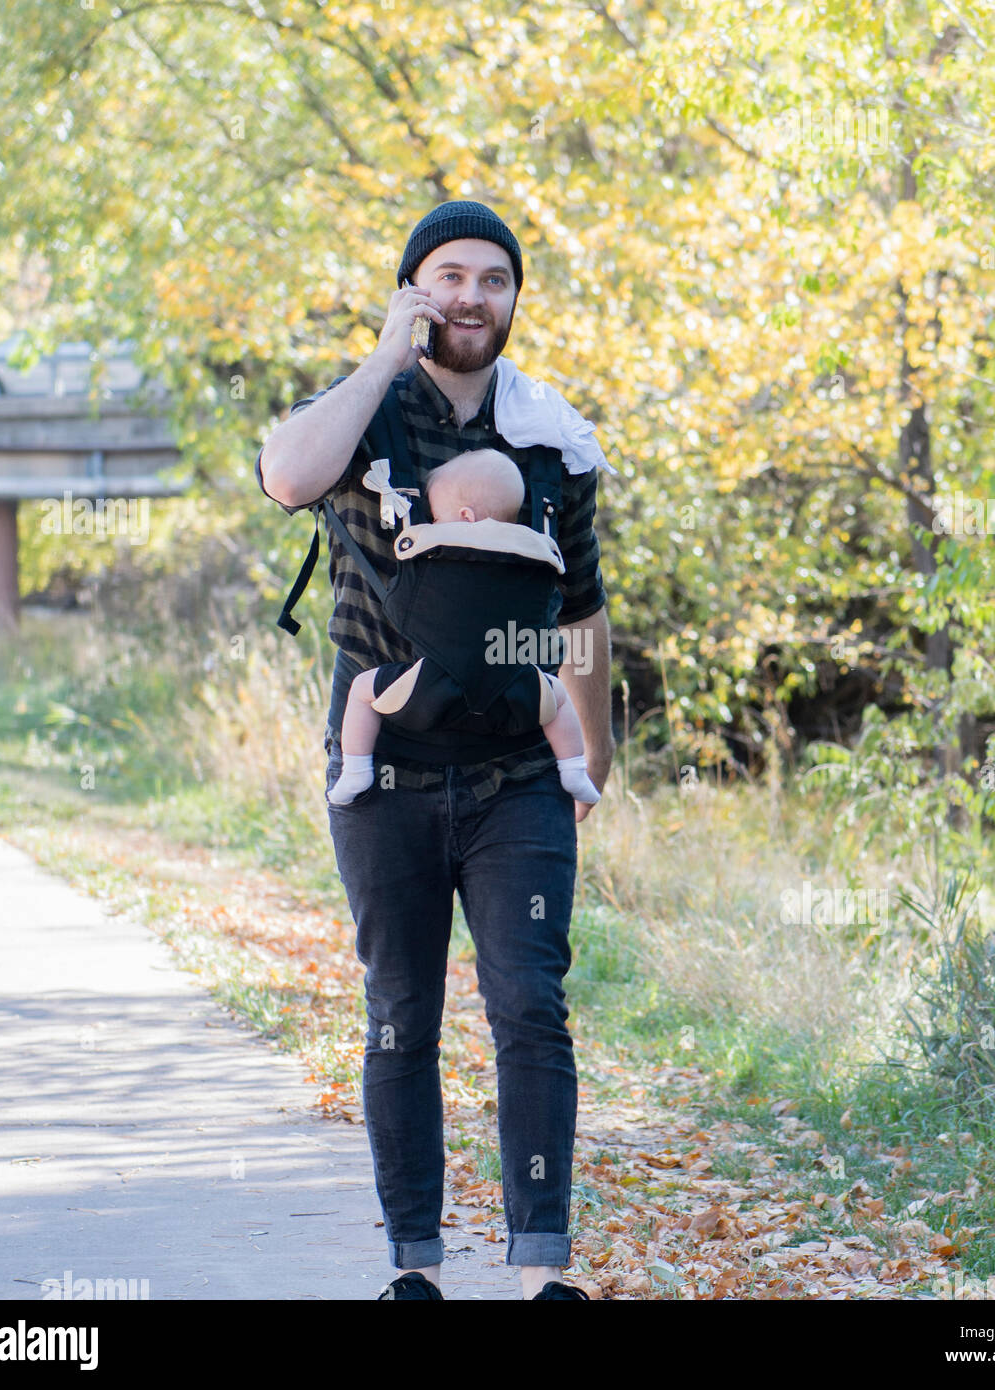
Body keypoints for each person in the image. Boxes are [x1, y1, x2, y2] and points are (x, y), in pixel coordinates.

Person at [256, 200, 615, 1301]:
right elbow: (284, 475)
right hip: (387, 782)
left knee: (530, 1009)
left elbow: (584, 616)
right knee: (401, 1012)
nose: (471, 296)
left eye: (492, 279)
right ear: (417, 286)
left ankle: (540, 1270)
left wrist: (588, 760)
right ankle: (414, 1264)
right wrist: (379, 353)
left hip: (519, 778)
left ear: (514, 298)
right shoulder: (360, 414)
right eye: (449, 275)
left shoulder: (553, 435)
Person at [327, 447, 601, 809]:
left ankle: (356, 772)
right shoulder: (535, 557)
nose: (436, 524)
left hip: (433, 685)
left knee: (362, 689)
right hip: (514, 687)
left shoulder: (431, 550)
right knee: (559, 696)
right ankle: (574, 771)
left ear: (465, 517)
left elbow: (397, 608)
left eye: (438, 517)